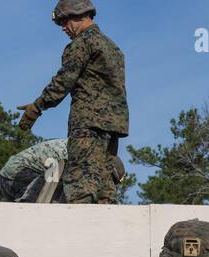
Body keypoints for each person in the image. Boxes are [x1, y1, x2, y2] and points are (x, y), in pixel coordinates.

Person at [16, 0, 128, 205]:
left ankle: (80, 226)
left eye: (64, 22)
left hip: (87, 121)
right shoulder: (113, 47)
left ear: (78, 16)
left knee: (81, 180)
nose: (63, 28)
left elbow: (64, 81)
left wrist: (37, 107)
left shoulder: (82, 43)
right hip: (113, 123)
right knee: (104, 182)